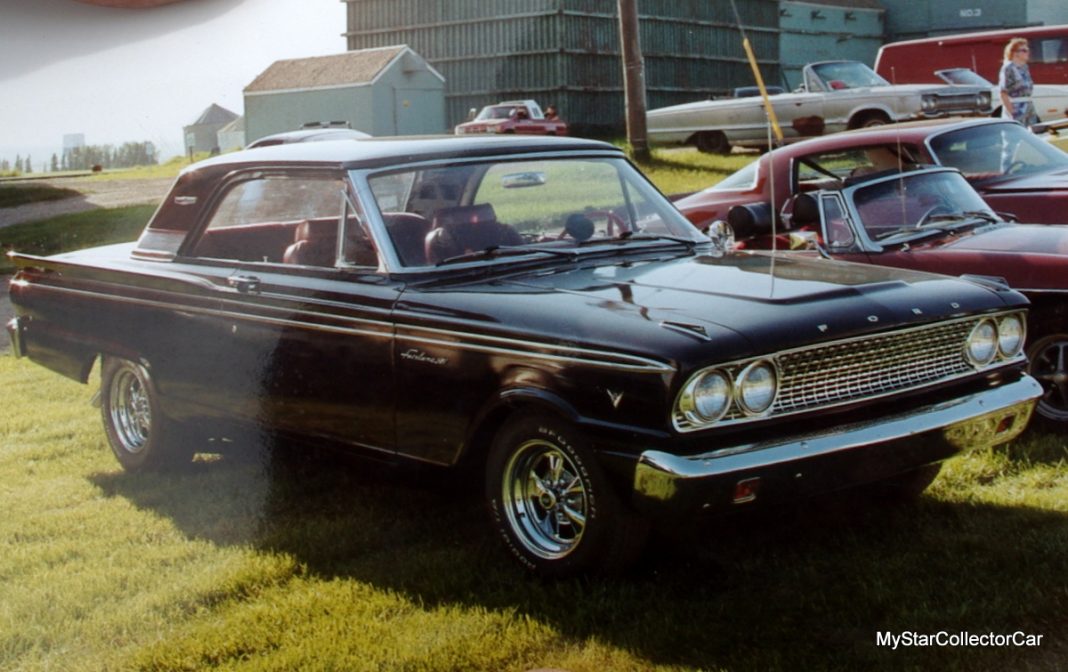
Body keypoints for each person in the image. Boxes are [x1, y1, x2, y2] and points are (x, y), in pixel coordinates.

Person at [999, 37, 1039, 128]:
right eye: (1024, 50)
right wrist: (1011, 113)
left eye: (1027, 50)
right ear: (1015, 53)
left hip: (1029, 107)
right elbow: (1003, 93)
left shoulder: (1025, 67)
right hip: (1016, 107)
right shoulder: (1008, 68)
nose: (1027, 52)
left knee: (1032, 136)